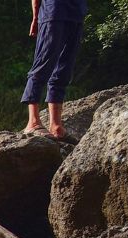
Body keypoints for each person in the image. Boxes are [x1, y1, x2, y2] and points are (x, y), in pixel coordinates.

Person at [22, 0, 87, 139]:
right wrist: (35, 17)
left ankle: (56, 125)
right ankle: (32, 122)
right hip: (53, 13)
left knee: (64, 69)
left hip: (76, 15)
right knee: (42, 65)